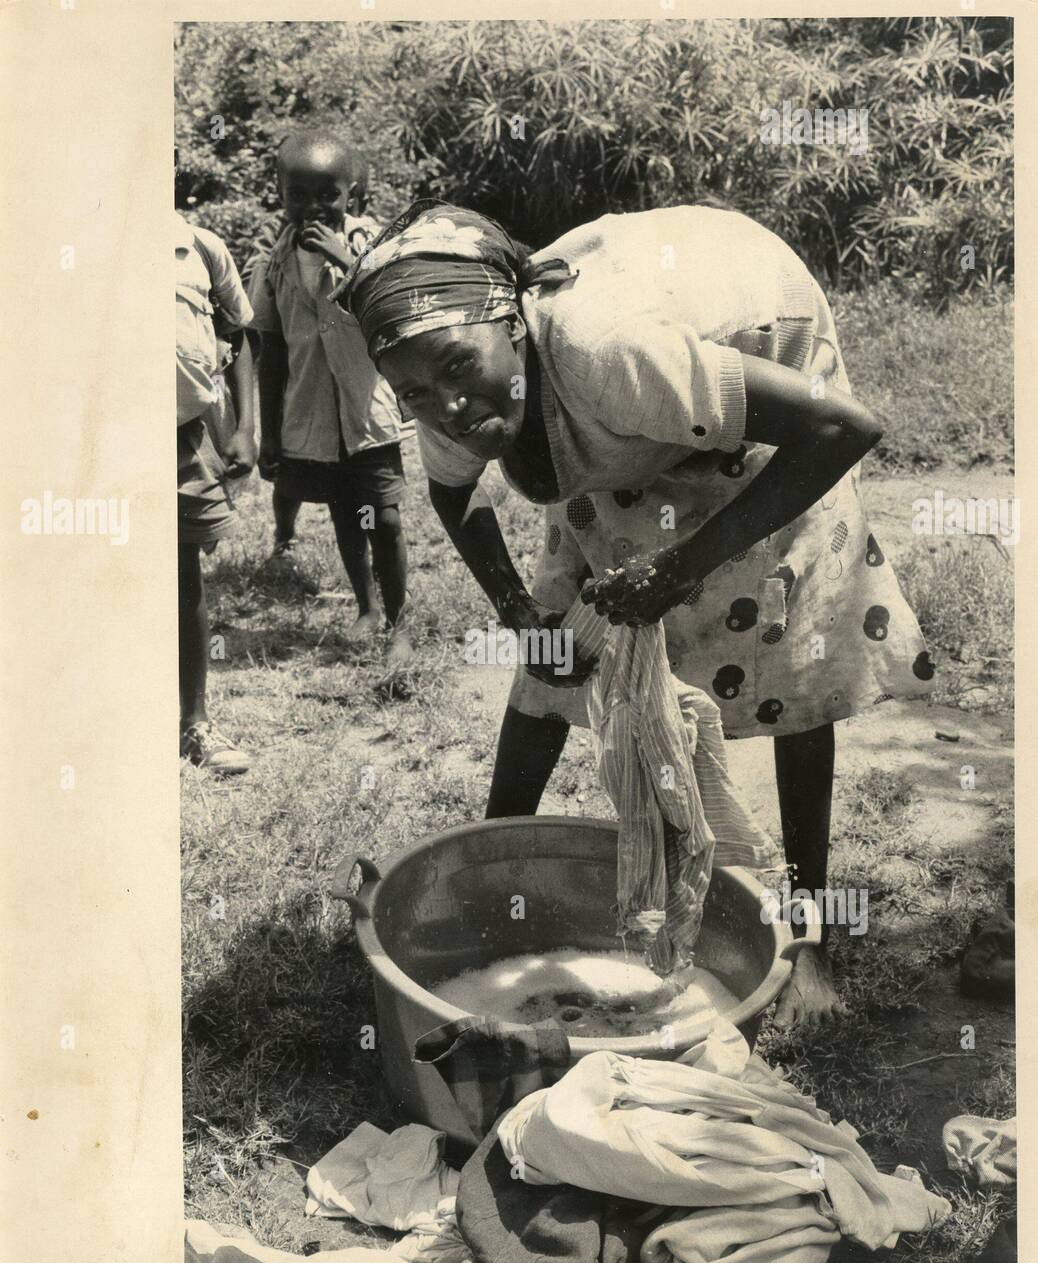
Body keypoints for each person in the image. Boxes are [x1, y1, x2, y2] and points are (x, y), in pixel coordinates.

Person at [339, 199, 936, 1027]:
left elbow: (842, 427)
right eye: (413, 393)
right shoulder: (445, 381)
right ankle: (481, 885)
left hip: (765, 369)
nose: (444, 406)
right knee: (556, 658)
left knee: (785, 652)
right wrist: (520, 614)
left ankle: (810, 933)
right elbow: (451, 489)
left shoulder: (607, 351)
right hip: (629, 414)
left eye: (455, 370)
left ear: (512, 324)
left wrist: (684, 564)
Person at [248, 131, 414, 671]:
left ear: (354, 195)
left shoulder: (372, 248)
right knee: (346, 513)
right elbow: (271, 349)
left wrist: (345, 258)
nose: (312, 207)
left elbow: (396, 311)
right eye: (298, 194)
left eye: (328, 195)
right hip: (313, 414)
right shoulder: (274, 263)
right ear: (280, 193)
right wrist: (269, 432)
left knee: (383, 519)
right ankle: (366, 606)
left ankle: (399, 623)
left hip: (368, 413)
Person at [176, 209, 257, 775]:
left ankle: (194, 724)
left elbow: (239, 335)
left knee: (184, 575)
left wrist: (245, 428)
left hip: (184, 436)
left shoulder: (200, 248)